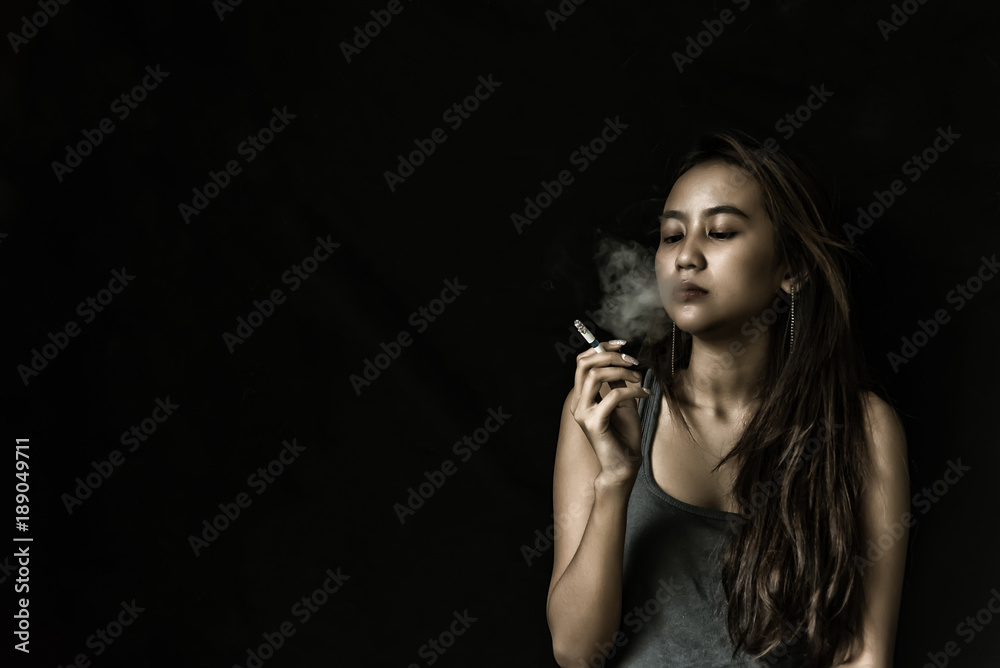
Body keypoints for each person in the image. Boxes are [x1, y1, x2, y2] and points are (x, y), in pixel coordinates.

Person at [546, 131, 910, 667]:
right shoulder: (609, 411)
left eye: (719, 231)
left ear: (792, 269)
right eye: (671, 236)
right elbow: (576, 653)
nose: (687, 256)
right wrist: (615, 480)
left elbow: (864, 656)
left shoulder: (862, 428)